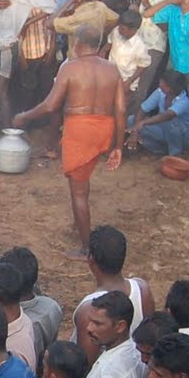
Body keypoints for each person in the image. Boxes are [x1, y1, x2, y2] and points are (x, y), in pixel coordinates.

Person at [13, 23, 127, 257]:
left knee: (78, 192)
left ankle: (87, 249)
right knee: (82, 180)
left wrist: (23, 116)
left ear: (78, 43)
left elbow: (51, 105)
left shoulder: (70, 68)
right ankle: (79, 224)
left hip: (80, 128)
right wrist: (117, 146)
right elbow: (121, 110)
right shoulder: (113, 69)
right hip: (104, 127)